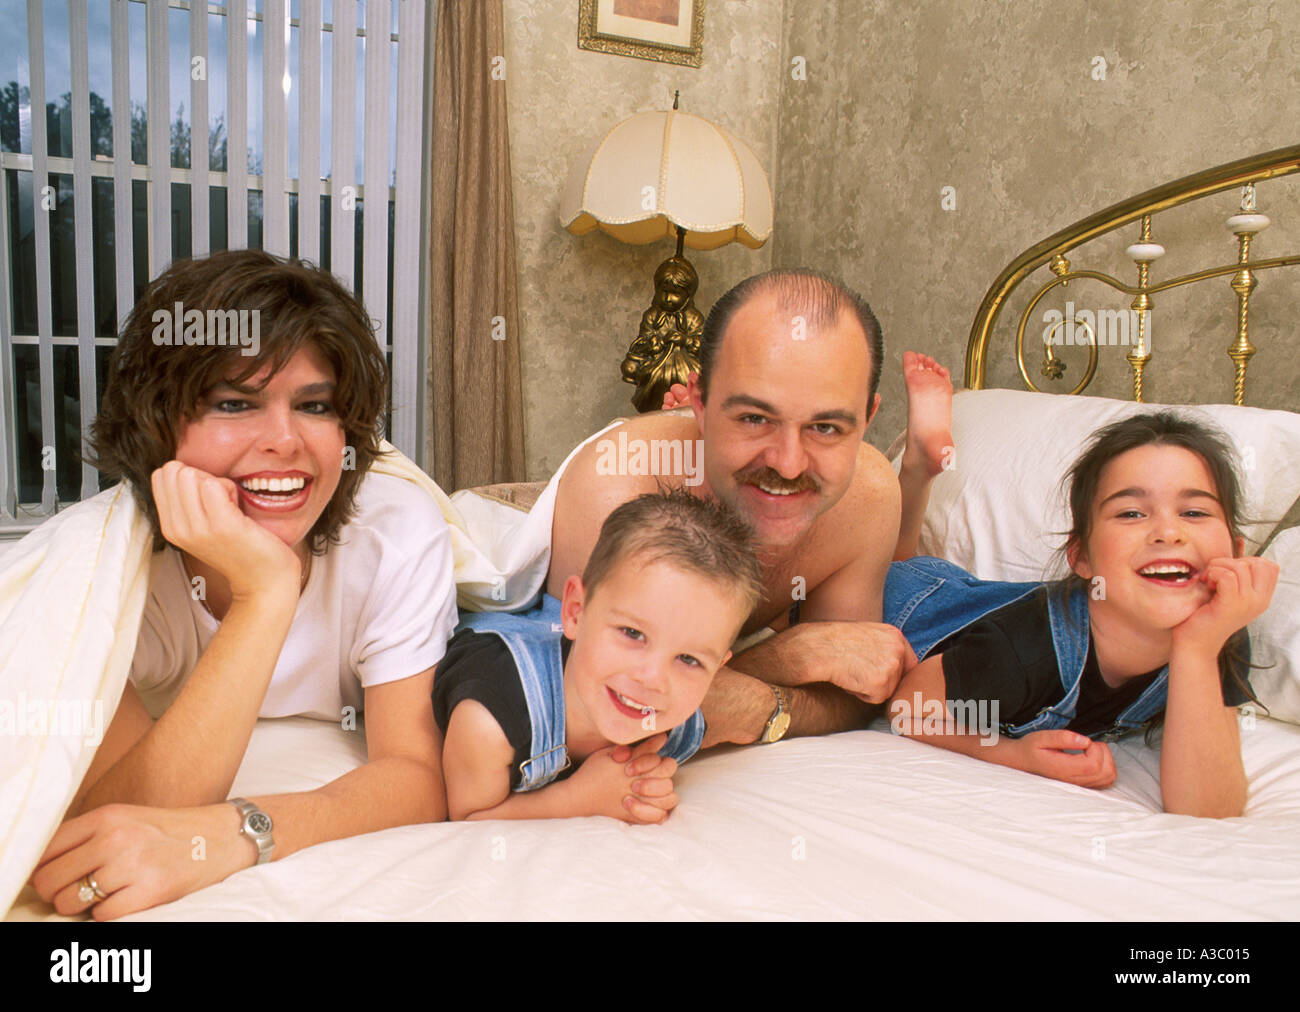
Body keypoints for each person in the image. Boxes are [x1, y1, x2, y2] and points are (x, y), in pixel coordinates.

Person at [30, 249, 457, 918]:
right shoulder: (99, 573)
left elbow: (417, 778)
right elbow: (113, 829)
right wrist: (264, 595)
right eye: (234, 403)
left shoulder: (394, 530)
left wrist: (238, 832)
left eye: (315, 406)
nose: (285, 441)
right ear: (157, 427)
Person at [548, 268, 953, 749]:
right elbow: (574, 716)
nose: (787, 463)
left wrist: (762, 696)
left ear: (867, 420)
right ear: (699, 402)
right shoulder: (615, 491)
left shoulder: (866, 497)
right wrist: (790, 659)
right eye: (755, 418)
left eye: (825, 428)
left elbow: (851, 688)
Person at [885, 412, 1277, 818]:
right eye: (1131, 513)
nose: (1169, 533)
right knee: (882, 569)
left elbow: (1209, 808)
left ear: (1235, 549)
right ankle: (917, 471)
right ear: (1082, 558)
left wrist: (1197, 648)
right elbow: (908, 707)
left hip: (964, 595)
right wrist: (1015, 754)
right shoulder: (1025, 652)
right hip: (910, 605)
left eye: (1194, 512)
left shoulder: (1217, 629)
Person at [436, 490, 762, 822]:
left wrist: (644, 785)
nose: (651, 678)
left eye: (689, 660)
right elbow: (468, 816)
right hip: (498, 635)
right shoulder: (490, 719)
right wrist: (581, 798)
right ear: (575, 612)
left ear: (717, 670)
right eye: (633, 633)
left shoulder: (677, 720)